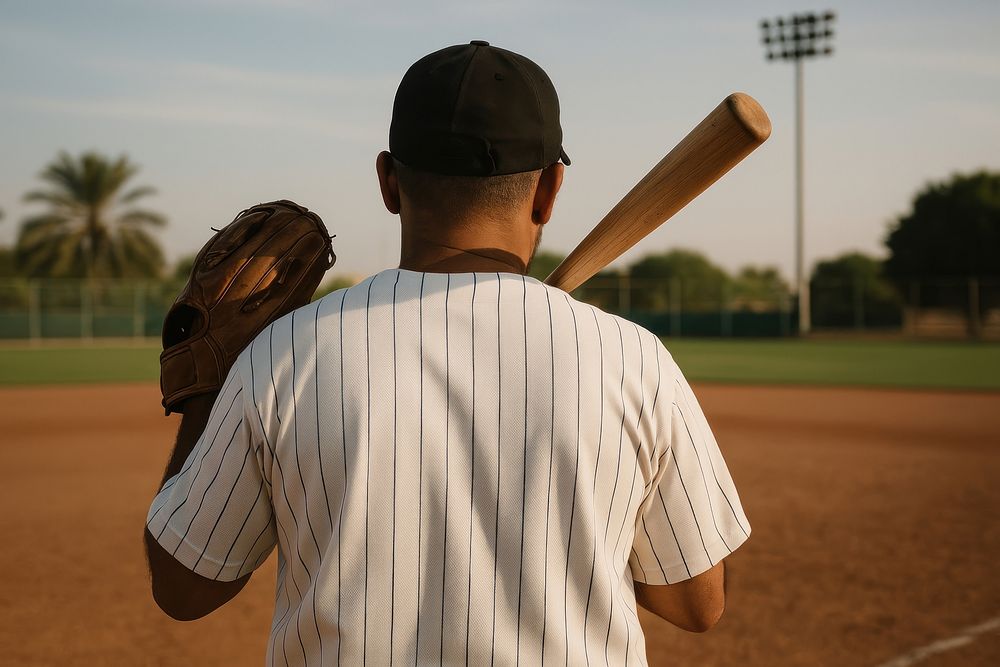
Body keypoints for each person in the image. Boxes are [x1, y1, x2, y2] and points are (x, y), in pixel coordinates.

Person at [144, 40, 750, 666]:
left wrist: (204, 394)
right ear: (549, 190)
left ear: (388, 181)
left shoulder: (284, 355)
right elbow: (697, 604)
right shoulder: (634, 361)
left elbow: (184, 587)